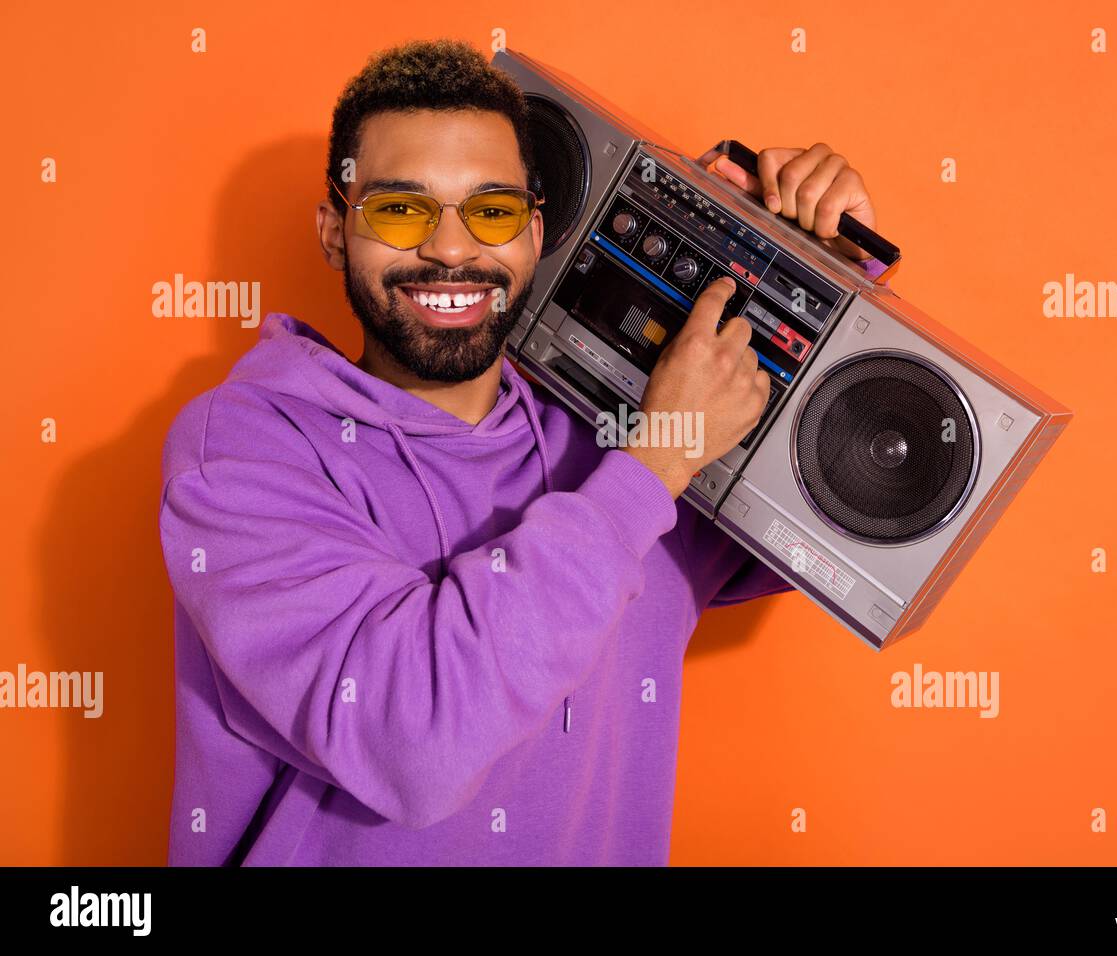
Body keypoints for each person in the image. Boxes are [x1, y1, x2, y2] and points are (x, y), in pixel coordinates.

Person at [159, 38, 886, 866]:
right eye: (401, 210)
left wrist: (809, 265)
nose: (452, 250)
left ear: (536, 234)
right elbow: (412, 745)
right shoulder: (245, 452)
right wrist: (656, 462)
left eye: (492, 211)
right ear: (332, 231)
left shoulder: (626, 428)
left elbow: (848, 511)